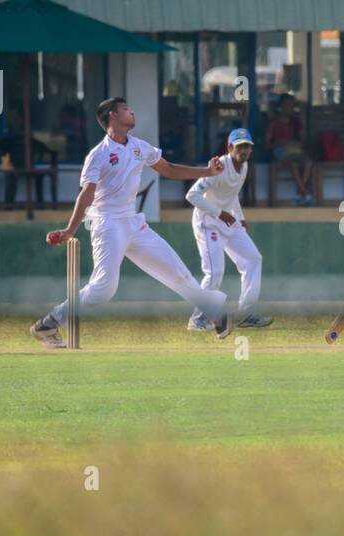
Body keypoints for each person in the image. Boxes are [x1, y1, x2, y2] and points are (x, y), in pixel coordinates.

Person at [30, 97, 232, 348]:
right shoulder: (98, 155)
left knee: (177, 272)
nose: (132, 112)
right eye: (126, 109)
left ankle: (214, 313)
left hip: (133, 223)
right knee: (103, 289)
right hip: (107, 223)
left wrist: (207, 171)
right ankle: (48, 324)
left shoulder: (139, 147)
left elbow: (168, 169)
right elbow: (87, 194)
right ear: (113, 115)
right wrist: (70, 229)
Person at [186, 128, 273, 330]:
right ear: (230, 147)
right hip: (207, 223)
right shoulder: (217, 168)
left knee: (253, 259)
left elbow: (231, 194)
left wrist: (239, 217)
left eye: (248, 147)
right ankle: (198, 319)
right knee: (215, 272)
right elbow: (192, 195)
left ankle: (246, 313)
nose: (244, 151)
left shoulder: (244, 167)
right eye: (240, 147)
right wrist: (219, 213)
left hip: (228, 221)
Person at [266, 93, 314, 205]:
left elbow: (303, 142)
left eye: (292, 106)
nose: (290, 108)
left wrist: (302, 118)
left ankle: (300, 193)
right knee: (293, 164)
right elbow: (266, 145)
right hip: (280, 153)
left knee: (308, 162)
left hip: (295, 151)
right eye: (287, 105)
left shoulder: (295, 122)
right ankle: (305, 194)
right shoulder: (274, 123)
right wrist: (279, 143)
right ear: (281, 106)